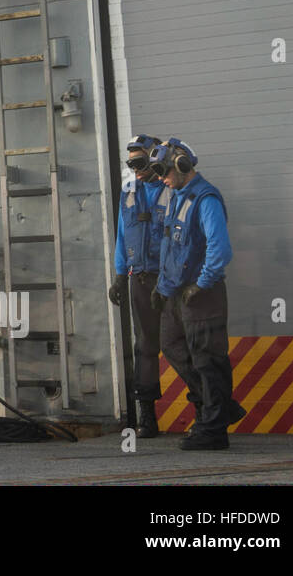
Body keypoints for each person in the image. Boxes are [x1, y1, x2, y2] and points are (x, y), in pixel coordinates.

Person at [149, 138, 245, 450]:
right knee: (173, 347)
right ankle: (217, 410)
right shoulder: (176, 196)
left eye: (164, 170)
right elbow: (173, 248)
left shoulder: (206, 198)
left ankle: (214, 430)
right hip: (177, 294)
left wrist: (202, 284)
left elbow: (219, 249)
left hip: (202, 293)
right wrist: (162, 289)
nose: (161, 177)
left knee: (208, 360)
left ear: (182, 165)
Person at [108, 134, 172, 438]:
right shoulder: (129, 191)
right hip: (140, 278)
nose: (135, 168)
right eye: (130, 162)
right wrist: (121, 275)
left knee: (179, 345)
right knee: (145, 348)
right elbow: (123, 235)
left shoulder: (174, 187)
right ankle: (147, 417)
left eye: (140, 160)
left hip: (170, 280)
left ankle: (207, 409)